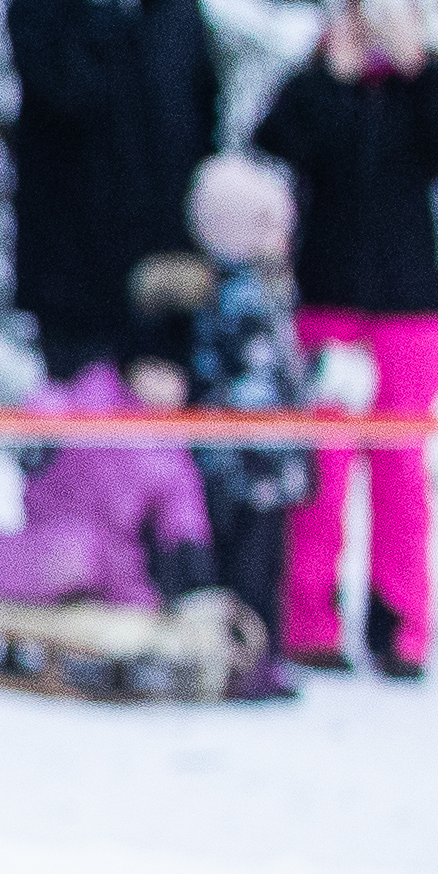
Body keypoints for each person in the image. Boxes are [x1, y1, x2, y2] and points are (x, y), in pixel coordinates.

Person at [249, 0, 438, 676]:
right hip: (329, 303)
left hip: (417, 308)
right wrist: (327, 79)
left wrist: (421, 69)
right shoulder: (315, 83)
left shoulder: (434, 83)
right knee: (322, 472)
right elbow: (274, 148)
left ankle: (401, 628)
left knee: (401, 472)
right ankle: (312, 621)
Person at [3, 0, 219, 373]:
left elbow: (202, 119)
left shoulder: (177, 5)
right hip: (71, 266)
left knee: (161, 427)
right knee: (83, 424)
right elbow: (62, 91)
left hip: (161, 261)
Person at [129, 158, 311, 693]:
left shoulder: (247, 290)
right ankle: (243, 663)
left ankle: (242, 660)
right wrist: (319, 375)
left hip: (248, 462)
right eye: (270, 224)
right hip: (249, 467)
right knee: (249, 575)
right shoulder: (243, 296)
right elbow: (260, 380)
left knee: (245, 570)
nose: (285, 235)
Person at [0, 356, 213, 615]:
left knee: (131, 595)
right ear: (135, 370)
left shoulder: (173, 452)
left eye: (177, 376)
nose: (169, 386)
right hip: (50, 535)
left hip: (111, 560)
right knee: (56, 556)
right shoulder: (93, 396)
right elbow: (37, 410)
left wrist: (192, 566)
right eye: (157, 372)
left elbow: (185, 520)